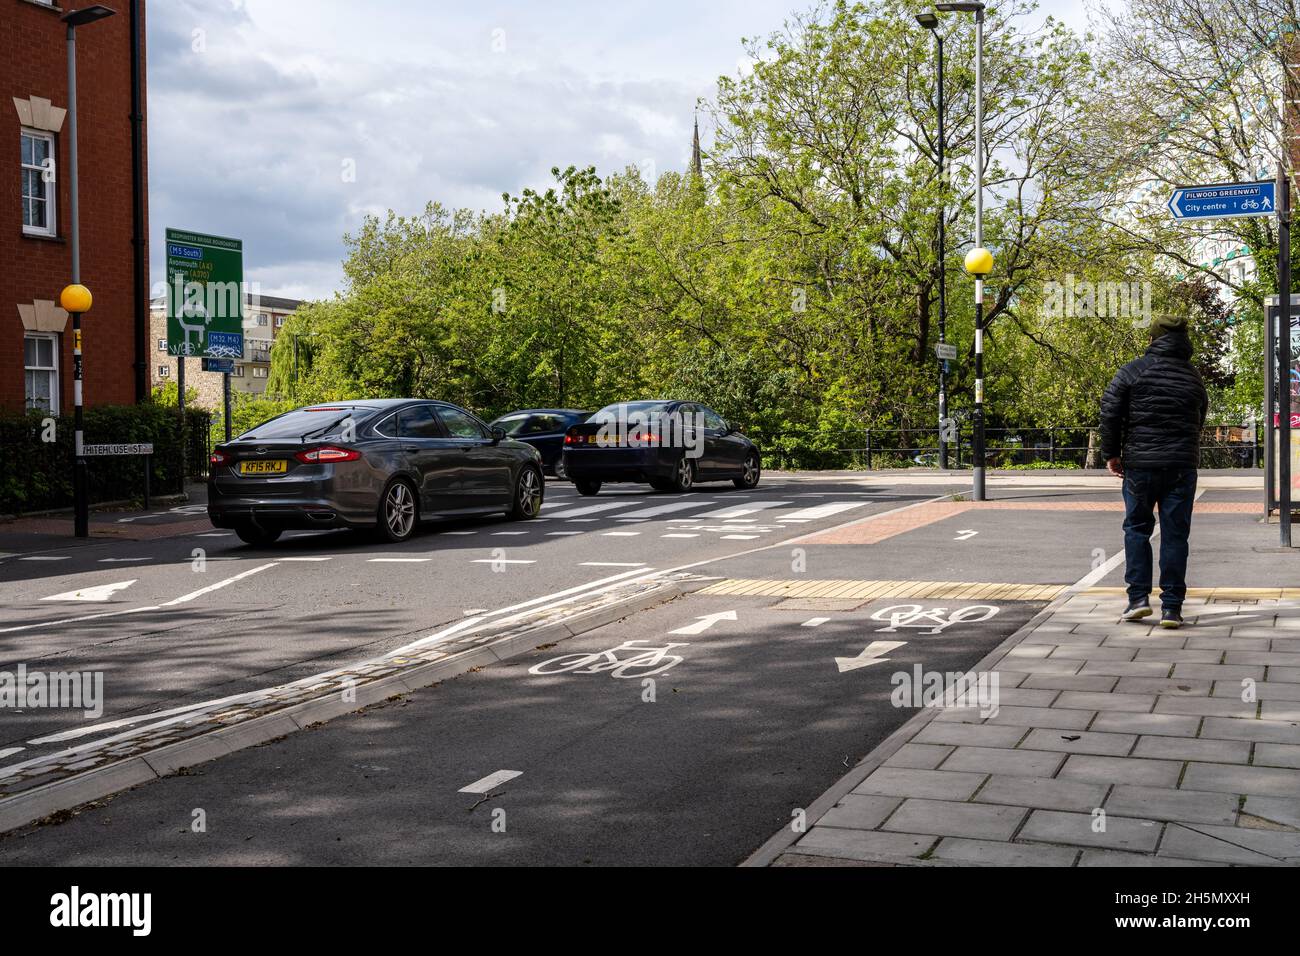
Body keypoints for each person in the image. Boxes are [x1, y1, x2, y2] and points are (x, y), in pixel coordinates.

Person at [1099, 314, 1208, 629]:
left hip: (1141, 466)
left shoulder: (1132, 371)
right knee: (1176, 535)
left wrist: (1112, 454)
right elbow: (1199, 416)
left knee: (1137, 529)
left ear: (1152, 340)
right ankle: (1172, 609)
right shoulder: (1193, 376)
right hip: (1181, 467)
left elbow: (1110, 412)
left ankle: (1138, 600)